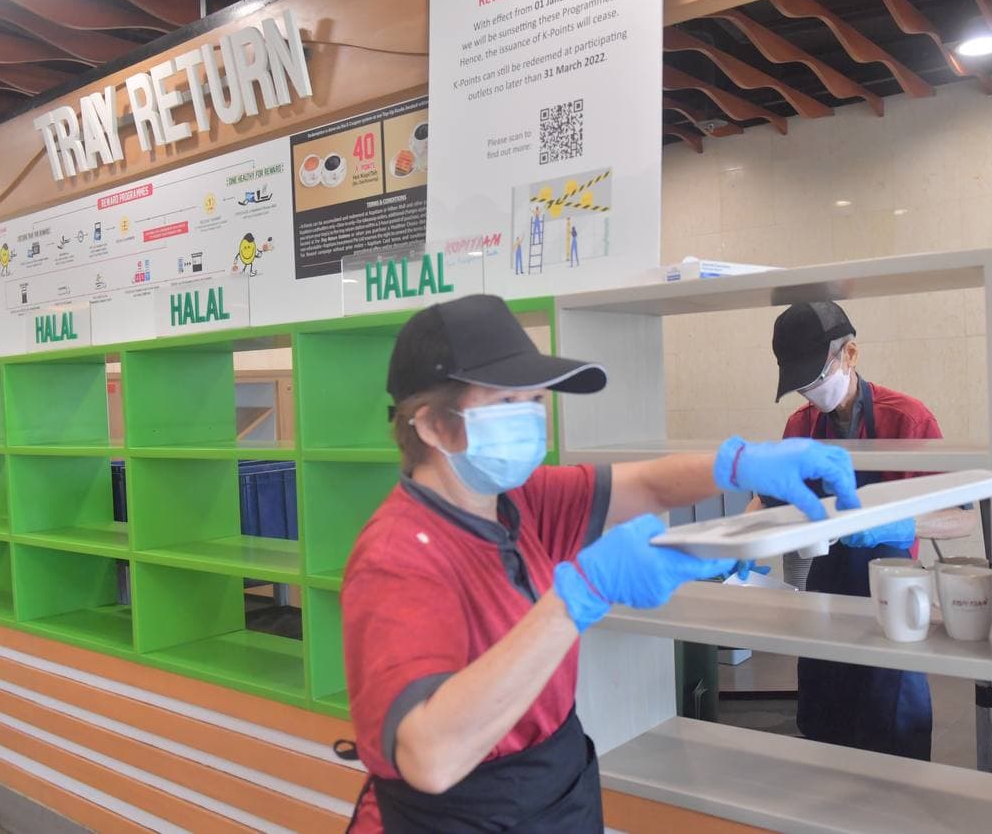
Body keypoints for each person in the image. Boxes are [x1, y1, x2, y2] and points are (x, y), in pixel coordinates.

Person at [341, 294, 863, 832]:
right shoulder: (397, 559)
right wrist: (579, 596)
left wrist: (741, 464)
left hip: (556, 787)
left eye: (535, 402)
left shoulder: (518, 498)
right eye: (504, 405)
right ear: (430, 426)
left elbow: (646, 483)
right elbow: (431, 758)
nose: (528, 420)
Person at [761, 301, 979, 761]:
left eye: (816, 380)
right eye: (802, 388)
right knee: (825, 732)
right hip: (825, 597)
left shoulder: (909, 420)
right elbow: (770, 496)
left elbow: (963, 518)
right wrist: (744, 532)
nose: (810, 396)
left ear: (851, 356)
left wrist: (898, 522)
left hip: (892, 599)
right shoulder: (800, 427)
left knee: (891, 728)